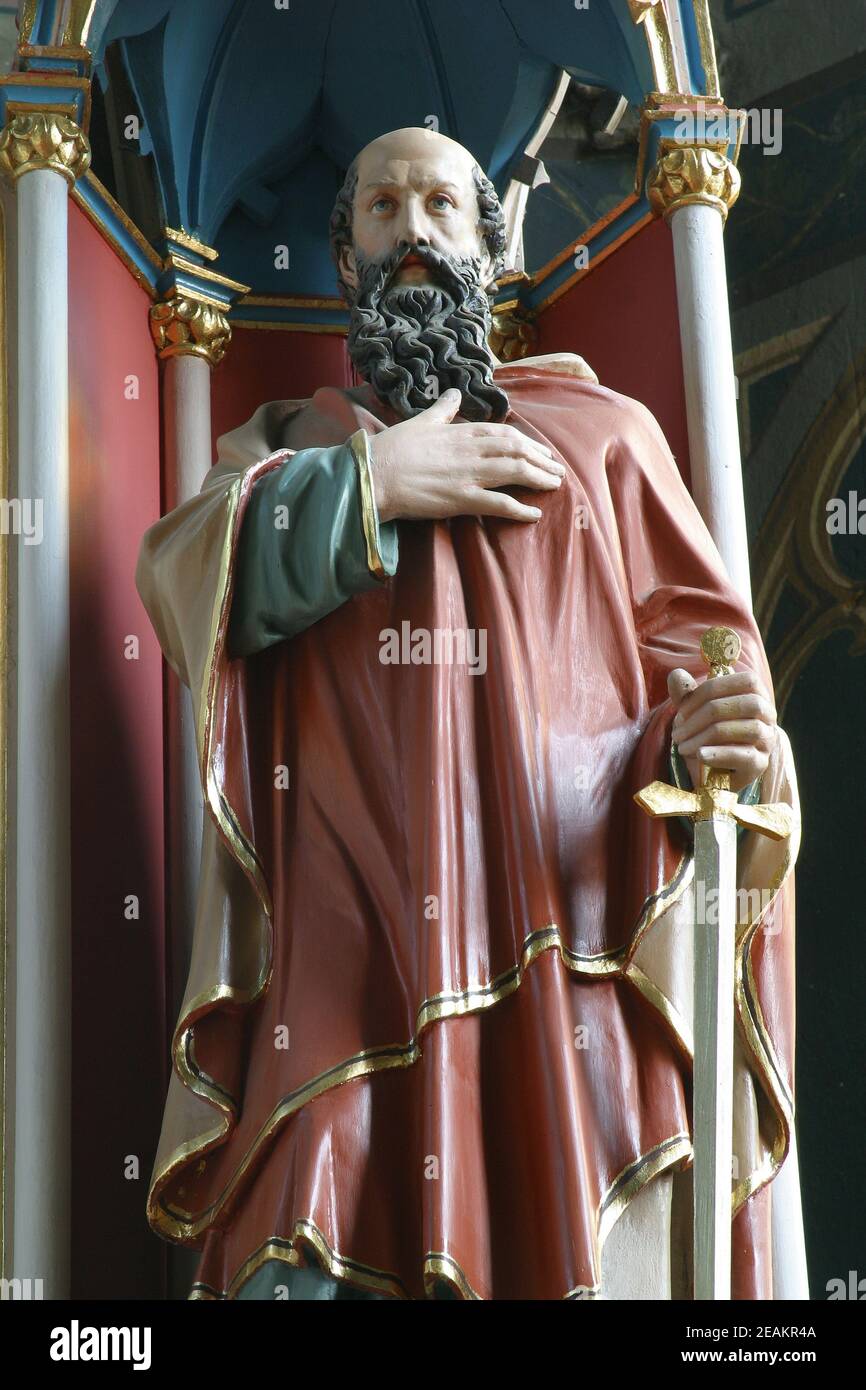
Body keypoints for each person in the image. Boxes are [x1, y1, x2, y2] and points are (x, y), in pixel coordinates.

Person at [136, 127, 800, 1300]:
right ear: (344, 258)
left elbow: (710, 665)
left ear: (493, 251)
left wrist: (716, 745)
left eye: (443, 205)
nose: (412, 231)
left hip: (565, 953)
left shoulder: (604, 439)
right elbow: (182, 575)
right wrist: (370, 485)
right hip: (340, 969)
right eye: (381, 208)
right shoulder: (290, 448)